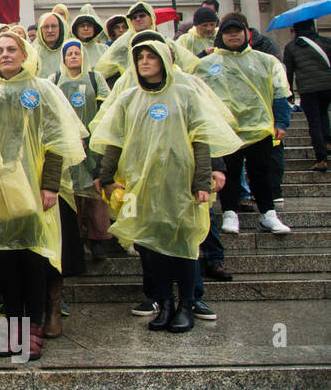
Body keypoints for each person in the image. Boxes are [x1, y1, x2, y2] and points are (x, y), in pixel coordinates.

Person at [92, 38, 240, 332]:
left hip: (180, 183)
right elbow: (113, 140)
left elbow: (200, 139)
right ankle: (164, 302)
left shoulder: (186, 94)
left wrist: (201, 181)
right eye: (140, 57)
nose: (145, 61)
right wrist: (107, 178)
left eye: (151, 56)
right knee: (150, 245)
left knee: (184, 244)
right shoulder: (128, 98)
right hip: (141, 185)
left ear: (163, 60)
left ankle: (186, 303)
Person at [0, 26, 86, 359]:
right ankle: (12, 327)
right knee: (4, 257)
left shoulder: (43, 90)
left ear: (24, 54)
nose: (4, 55)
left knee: (33, 258)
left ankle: (33, 327)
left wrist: (50, 185)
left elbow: (56, 140)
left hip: (35, 188)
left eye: (11, 49)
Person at [195, 13, 293, 235]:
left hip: (260, 129)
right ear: (221, 36)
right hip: (226, 130)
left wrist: (282, 122)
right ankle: (230, 212)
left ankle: (268, 213)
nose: (233, 36)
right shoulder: (207, 63)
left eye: (236, 31)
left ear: (246, 33)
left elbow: (280, 93)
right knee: (229, 172)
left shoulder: (266, 60)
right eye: (228, 32)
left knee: (262, 172)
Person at [51, 39, 119, 266]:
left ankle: (97, 238)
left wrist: (94, 135)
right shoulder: (55, 80)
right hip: (67, 144)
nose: (73, 57)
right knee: (72, 192)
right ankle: (77, 239)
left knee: (94, 192)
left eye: (76, 53)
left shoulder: (94, 78)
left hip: (93, 142)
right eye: (69, 53)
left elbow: (106, 109)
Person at [283, 19, 331, 172]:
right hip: (328, 86)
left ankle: (321, 158)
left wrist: (288, 91)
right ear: (312, 26)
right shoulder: (326, 42)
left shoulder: (291, 47)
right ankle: (327, 140)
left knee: (314, 122)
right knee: (324, 113)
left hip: (308, 90)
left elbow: (288, 71)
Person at [34, 11, 67, 78]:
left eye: (54, 26)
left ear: (60, 28)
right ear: (40, 30)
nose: (50, 30)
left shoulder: (69, 51)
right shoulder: (33, 53)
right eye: (46, 27)